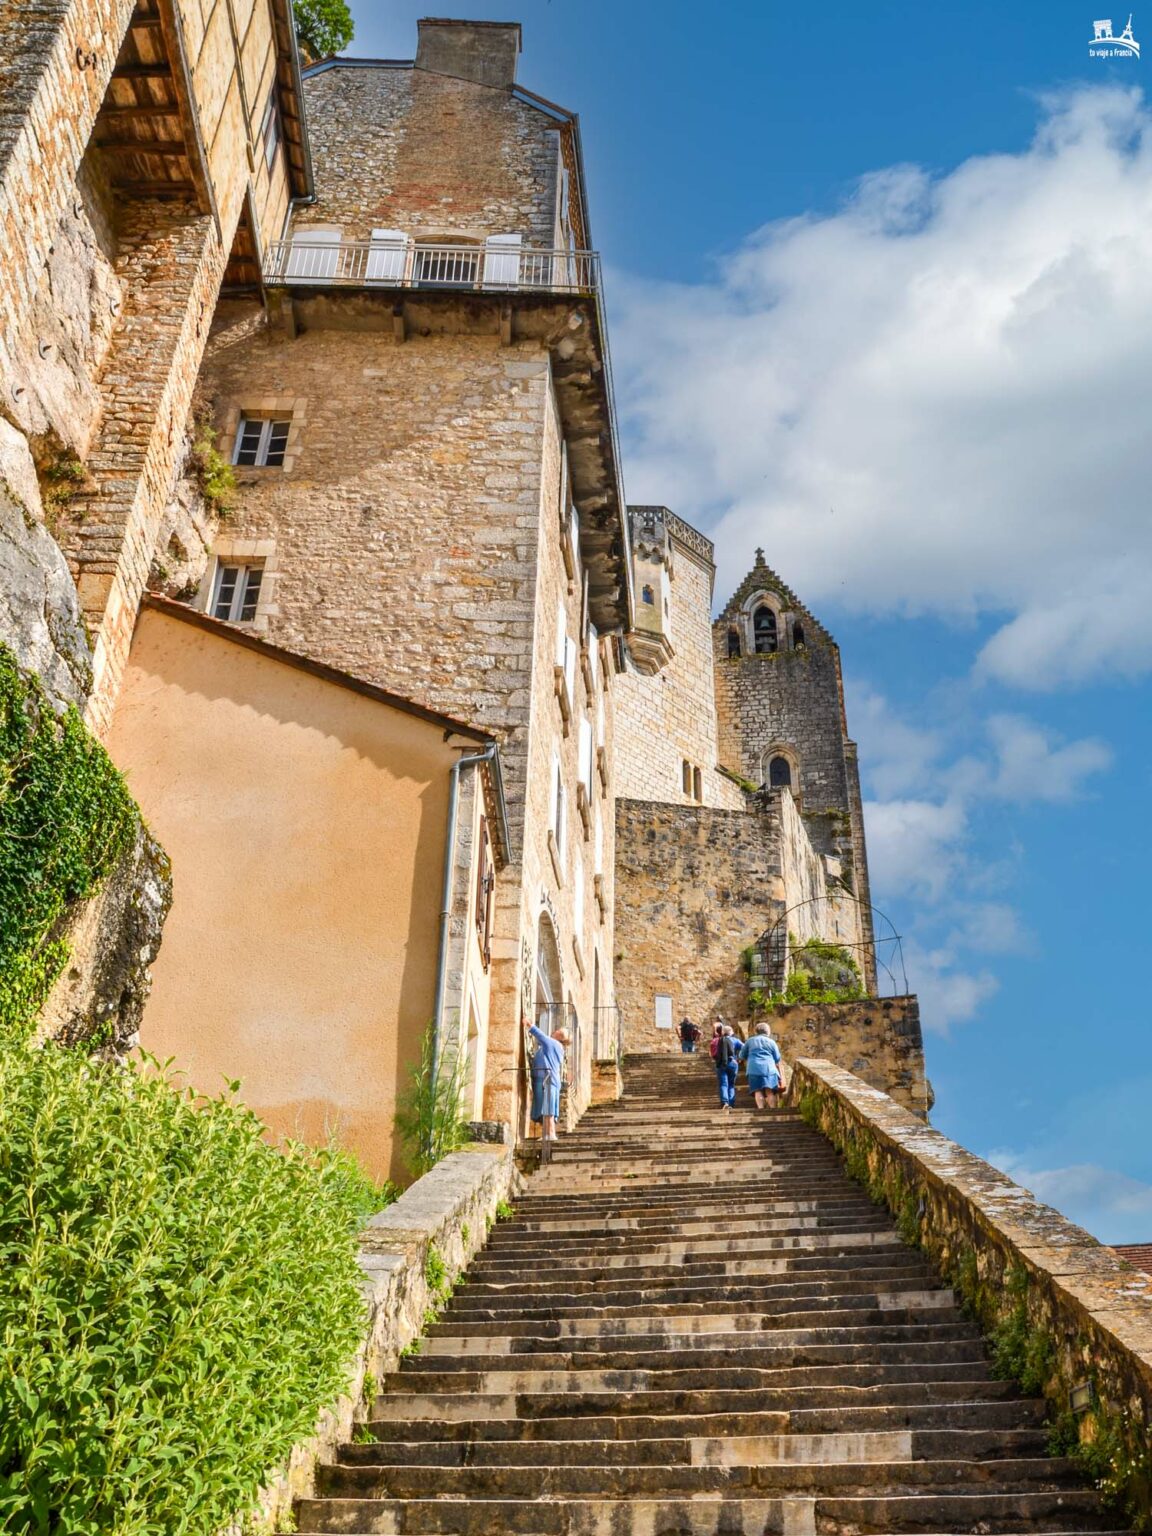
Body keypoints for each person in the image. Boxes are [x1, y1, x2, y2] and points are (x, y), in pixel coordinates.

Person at [527, 1021, 569, 1142]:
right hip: (545, 1079)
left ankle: (550, 1134)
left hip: (548, 1079)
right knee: (544, 1108)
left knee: (548, 1108)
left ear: (559, 1036)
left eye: (557, 1031)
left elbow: (541, 1036)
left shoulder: (554, 1043)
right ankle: (546, 1134)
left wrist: (529, 1024)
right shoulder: (553, 1046)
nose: (553, 1031)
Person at [739, 1021, 783, 1110]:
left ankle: (761, 1109)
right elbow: (777, 1058)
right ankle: (773, 1109)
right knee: (770, 1091)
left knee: (757, 1090)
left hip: (753, 1068)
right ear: (768, 1031)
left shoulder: (749, 1041)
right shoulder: (771, 1042)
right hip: (769, 1069)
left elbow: (741, 1055)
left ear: (756, 1031)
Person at [714, 1023, 739, 1110]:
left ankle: (725, 1102)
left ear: (722, 1032)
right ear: (731, 1032)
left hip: (721, 1063)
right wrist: (739, 1058)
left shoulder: (717, 1040)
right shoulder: (735, 1040)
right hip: (732, 1062)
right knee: (731, 1084)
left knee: (723, 1084)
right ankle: (731, 1103)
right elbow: (744, 1047)